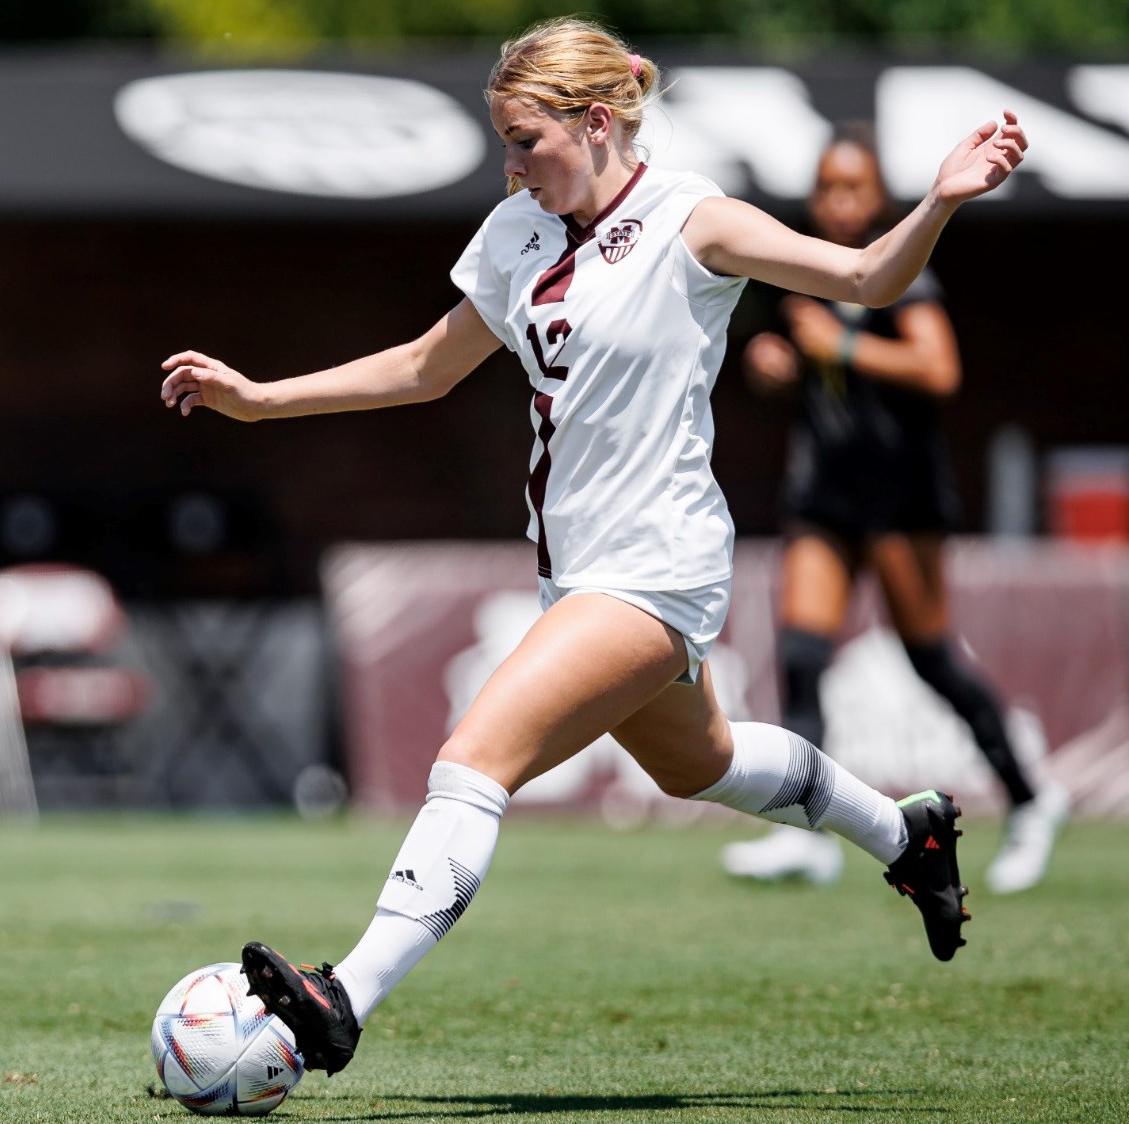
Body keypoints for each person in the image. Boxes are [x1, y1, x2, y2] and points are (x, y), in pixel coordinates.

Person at [158, 17, 1025, 1076]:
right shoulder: (515, 231)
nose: (511, 166)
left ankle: (345, 996)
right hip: (574, 569)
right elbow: (429, 365)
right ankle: (906, 835)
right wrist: (262, 400)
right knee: (701, 763)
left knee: (470, 763)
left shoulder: (691, 219)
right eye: (504, 143)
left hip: (657, 564)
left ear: (598, 121)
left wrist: (939, 200)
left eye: (525, 141)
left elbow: (863, 278)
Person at [721, 126, 1068, 894]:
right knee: (802, 656)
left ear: (878, 197)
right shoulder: (804, 269)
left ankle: (1032, 799)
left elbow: (938, 368)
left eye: (855, 186)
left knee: (931, 659)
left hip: (900, 497)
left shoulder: (901, 269)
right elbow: (805, 366)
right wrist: (776, 365)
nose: (840, 201)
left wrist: (838, 349)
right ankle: (805, 833)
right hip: (825, 494)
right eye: (828, 187)